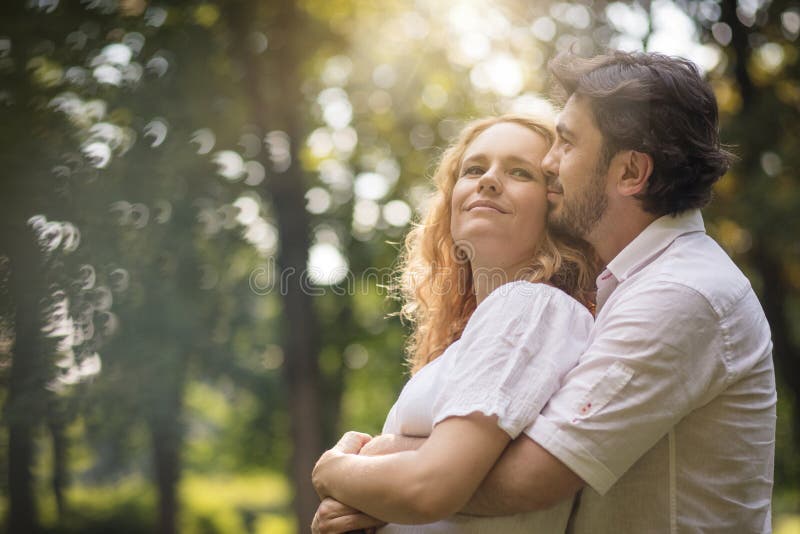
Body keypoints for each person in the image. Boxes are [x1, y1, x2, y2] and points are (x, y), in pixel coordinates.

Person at [315, 50, 776, 533]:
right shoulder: (630, 285)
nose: (551, 164)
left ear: (630, 173)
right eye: (473, 170)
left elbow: (529, 478)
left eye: (567, 145)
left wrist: (358, 467)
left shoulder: (678, 294)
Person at [312, 113, 600, 532]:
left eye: (520, 172)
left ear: (556, 209)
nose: (489, 180)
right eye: (474, 169)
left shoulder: (530, 306)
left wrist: (333, 471)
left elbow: (429, 487)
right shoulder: (479, 332)